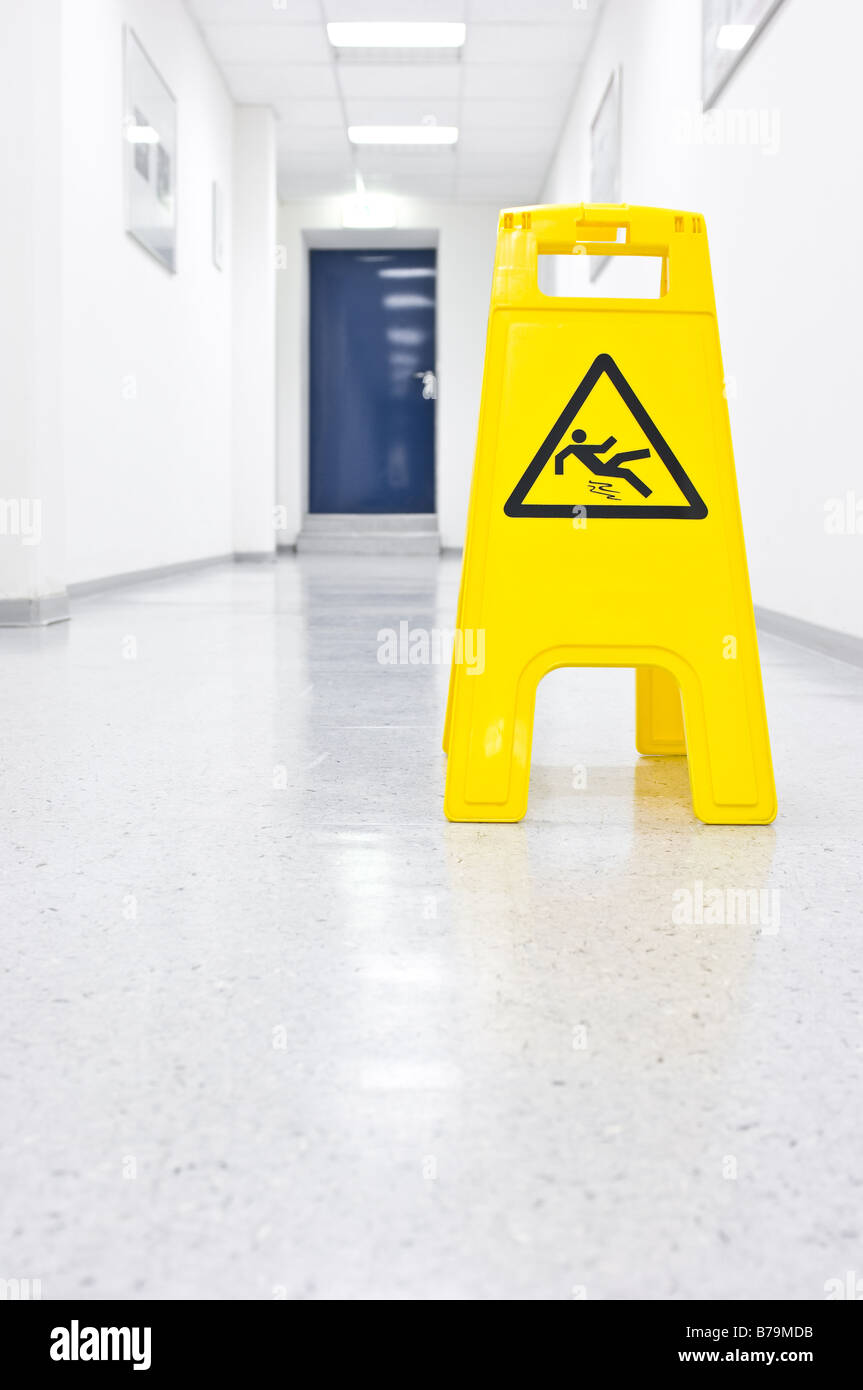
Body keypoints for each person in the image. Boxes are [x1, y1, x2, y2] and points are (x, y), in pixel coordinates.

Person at [554, 429, 652, 498]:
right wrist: (559, 474)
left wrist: (613, 439)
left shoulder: (574, 448)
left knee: (619, 458)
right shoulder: (574, 448)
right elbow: (602, 449)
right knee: (625, 472)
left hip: (602, 466)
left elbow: (602, 449)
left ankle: (647, 453)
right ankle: (647, 493)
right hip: (600, 469)